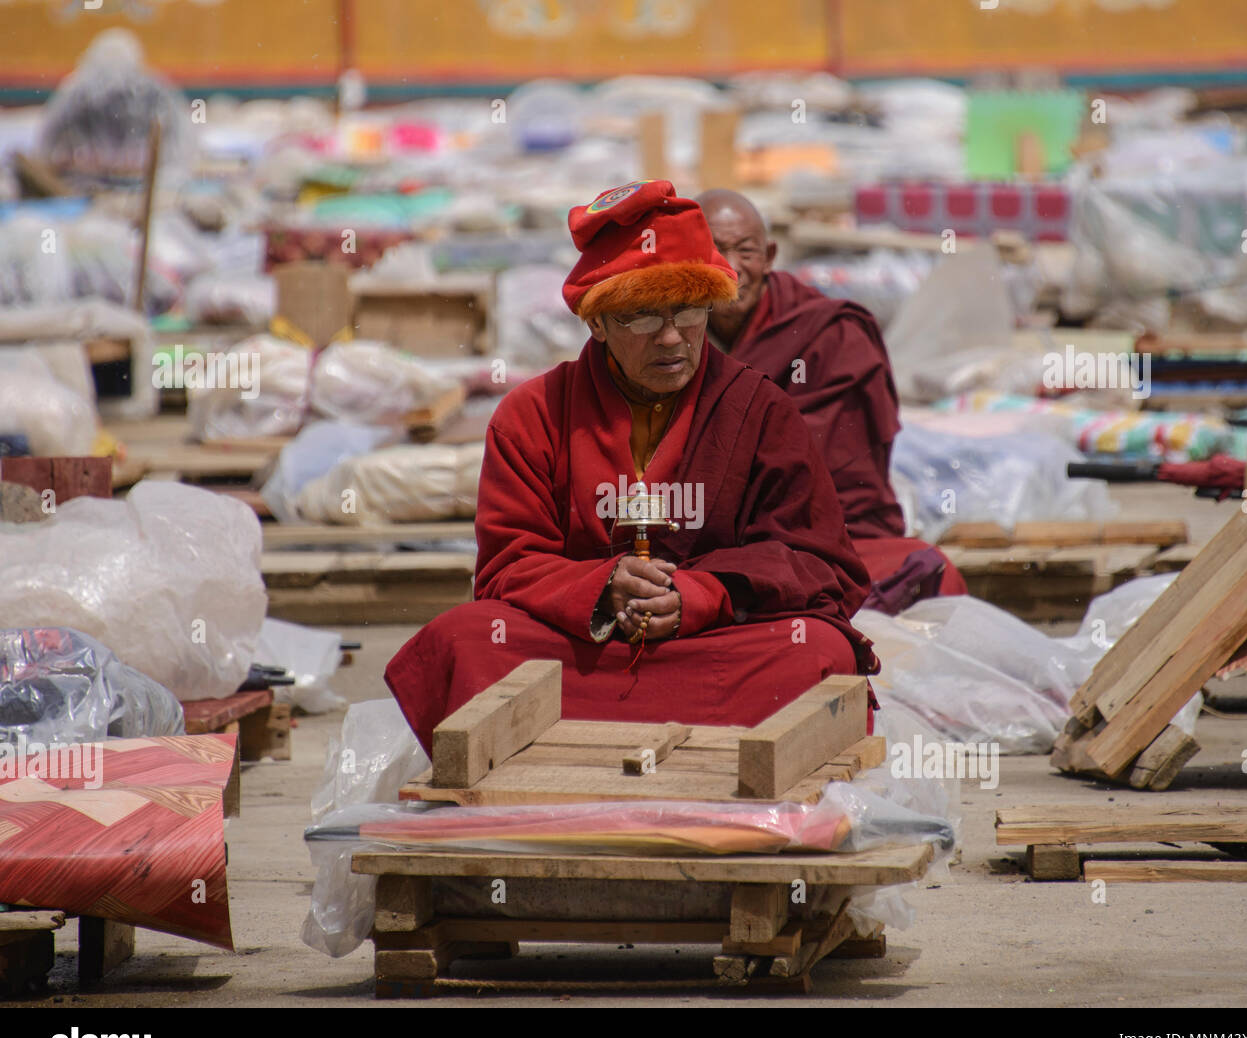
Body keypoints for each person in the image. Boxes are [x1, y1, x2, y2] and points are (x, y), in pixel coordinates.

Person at [385, 180, 878, 756]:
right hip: (584, 650)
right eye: (642, 318)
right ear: (597, 323)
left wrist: (705, 593)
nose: (672, 340)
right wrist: (601, 588)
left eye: (689, 311)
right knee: (464, 639)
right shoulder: (534, 414)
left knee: (817, 649)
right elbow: (506, 568)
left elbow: (819, 563)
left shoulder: (760, 409)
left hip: (714, 644)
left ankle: (572, 743)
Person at [697, 188, 967, 601]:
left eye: (746, 251)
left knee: (926, 570)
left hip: (817, 536)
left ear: (770, 256)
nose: (732, 268)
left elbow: (829, 485)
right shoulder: (672, 332)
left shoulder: (828, 334)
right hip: (708, 536)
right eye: (716, 251)